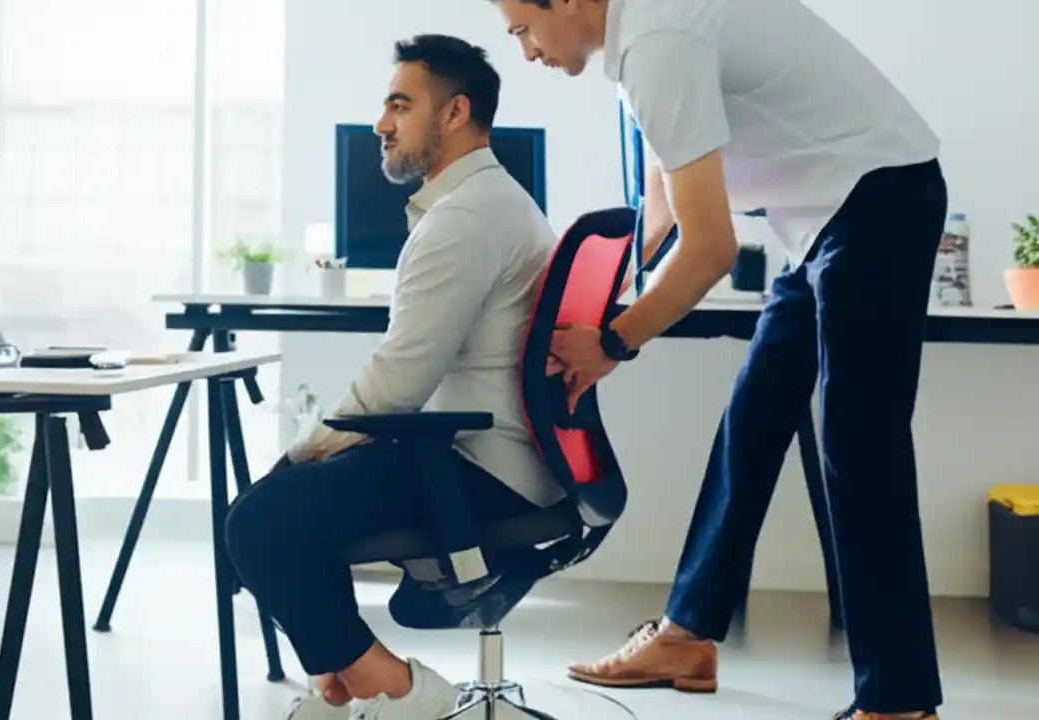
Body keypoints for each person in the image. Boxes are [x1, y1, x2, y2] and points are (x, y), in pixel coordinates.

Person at [485, 1, 946, 719]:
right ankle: (688, 633)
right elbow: (662, 211)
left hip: (876, 199)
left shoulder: (658, 42)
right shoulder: (638, 48)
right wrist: (585, 299)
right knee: (754, 422)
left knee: (861, 444)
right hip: (826, 217)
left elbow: (711, 250)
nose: (526, 51)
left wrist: (613, 343)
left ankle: (899, 702)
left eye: (521, 29)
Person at [225, 34, 566, 720]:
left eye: (399, 106)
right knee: (290, 509)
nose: (382, 124)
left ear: (454, 113)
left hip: (480, 470)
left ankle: (406, 695)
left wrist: (297, 453)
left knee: (261, 519)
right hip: (501, 457)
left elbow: (398, 381)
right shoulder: (491, 202)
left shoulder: (464, 219)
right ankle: (344, 690)